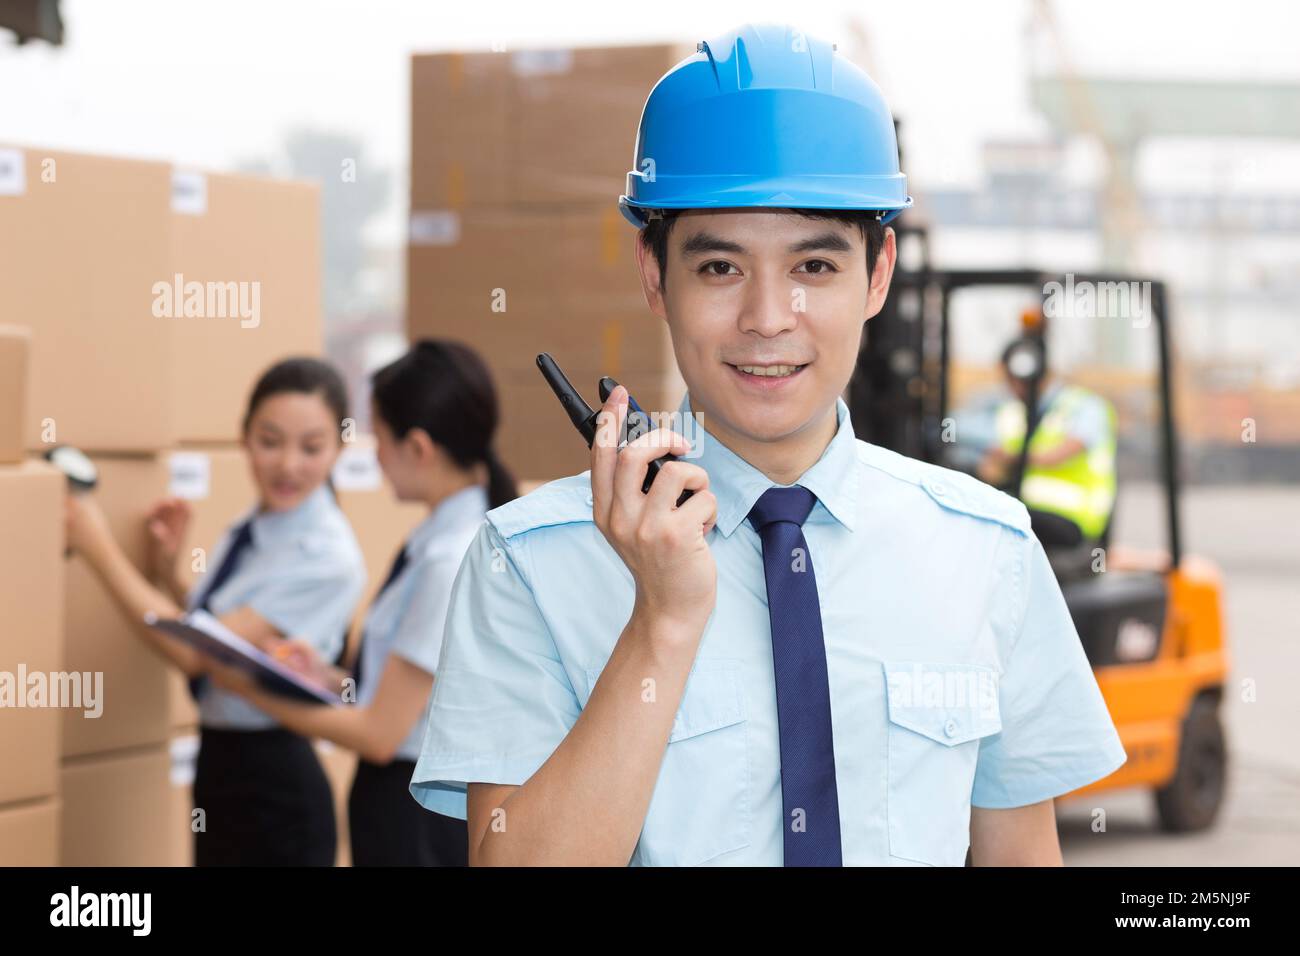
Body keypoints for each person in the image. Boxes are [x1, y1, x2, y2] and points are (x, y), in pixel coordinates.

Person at [408, 22, 1127, 867]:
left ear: (880, 273)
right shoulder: (527, 564)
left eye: (814, 267)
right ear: (654, 274)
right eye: (720, 268)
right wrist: (663, 621)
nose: (767, 317)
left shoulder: (987, 549)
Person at [204, 340, 516, 866]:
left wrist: (248, 686)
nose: (372, 454)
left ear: (417, 447)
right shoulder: (443, 543)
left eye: (379, 437)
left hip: (413, 812)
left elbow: (380, 734)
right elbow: (404, 697)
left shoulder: (449, 559)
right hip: (404, 806)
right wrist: (326, 679)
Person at [65, 357, 366, 866]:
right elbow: (220, 634)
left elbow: (199, 656)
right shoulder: (259, 522)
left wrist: (94, 544)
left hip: (275, 786)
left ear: (339, 449)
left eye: (311, 448)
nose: (288, 465)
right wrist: (167, 573)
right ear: (243, 436)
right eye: (270, 442)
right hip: (221, 764)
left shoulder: (326, 556)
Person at [976, 331, 1118, 545]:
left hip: (1074, 519)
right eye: (1009, 380)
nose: (1013, 388)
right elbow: (993, 468)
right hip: (1028, 509)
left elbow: (1057, 455)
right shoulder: (1013, 413)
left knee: (1002, 521)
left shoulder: (1084, 407)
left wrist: (1009, 457)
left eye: (1017, 380)